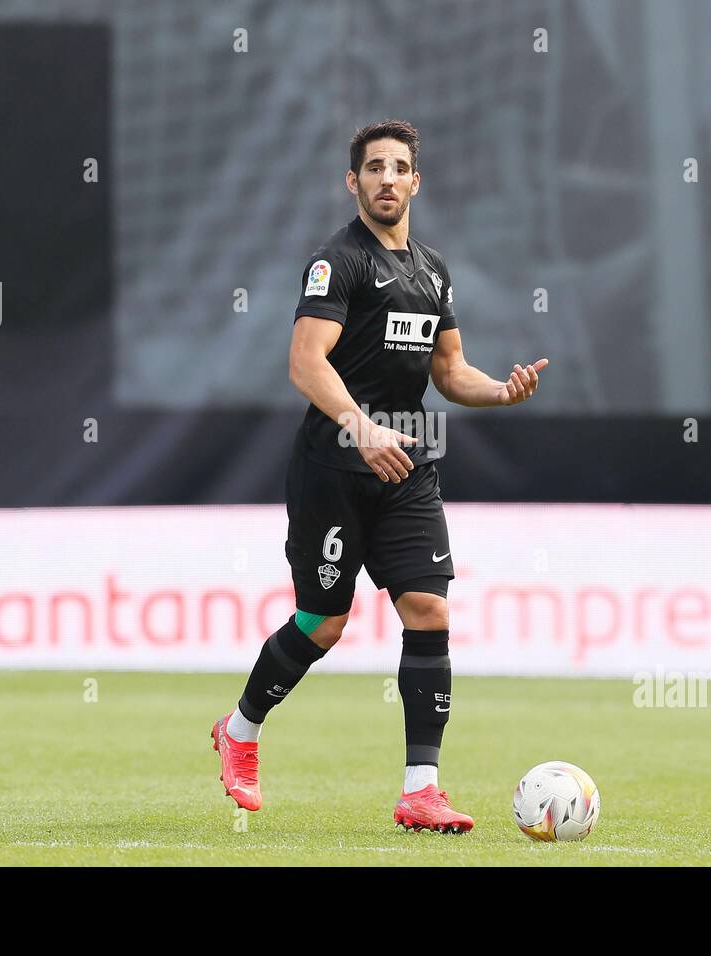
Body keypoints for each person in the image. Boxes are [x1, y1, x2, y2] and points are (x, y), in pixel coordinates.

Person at [212, 118, 548, 833]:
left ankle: (420, 790)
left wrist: (500, 391)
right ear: (354, 182)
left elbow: (451, 372)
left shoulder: (432, 270)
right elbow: (307, 362)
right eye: (374, 168)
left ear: (416, 181)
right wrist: (360, 428)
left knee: (428, 612)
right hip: (332, 468)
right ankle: (240, 730)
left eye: (400, 168)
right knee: (324, 623)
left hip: (408, 469)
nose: (387, 179)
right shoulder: (338, 262)